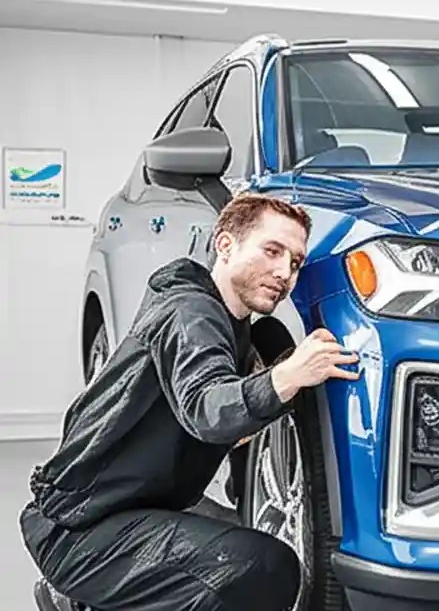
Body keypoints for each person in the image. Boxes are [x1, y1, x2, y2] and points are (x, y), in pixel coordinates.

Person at [19, 194, 360, 611]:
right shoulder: (191, 313)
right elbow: (208, 409)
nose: (284, 272)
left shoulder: (231, 324)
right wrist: (288, 375)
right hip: (82, 529)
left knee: (240, 538)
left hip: (127, 506)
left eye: (295, 262)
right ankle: (80, 598)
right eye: (272, 251)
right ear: (226, 244)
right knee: (264, 567)